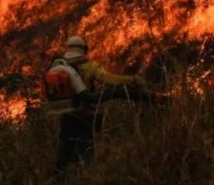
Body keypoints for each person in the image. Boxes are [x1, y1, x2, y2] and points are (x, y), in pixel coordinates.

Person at [55, 35, 146, 171]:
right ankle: (85, 175)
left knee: (65, 146)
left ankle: (61, 175)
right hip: (85, 114)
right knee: (85, 149)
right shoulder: (90, 66)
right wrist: (131, 80)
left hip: (65, 114)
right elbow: (109, 79)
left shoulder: (59, 66)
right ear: (83, 49)